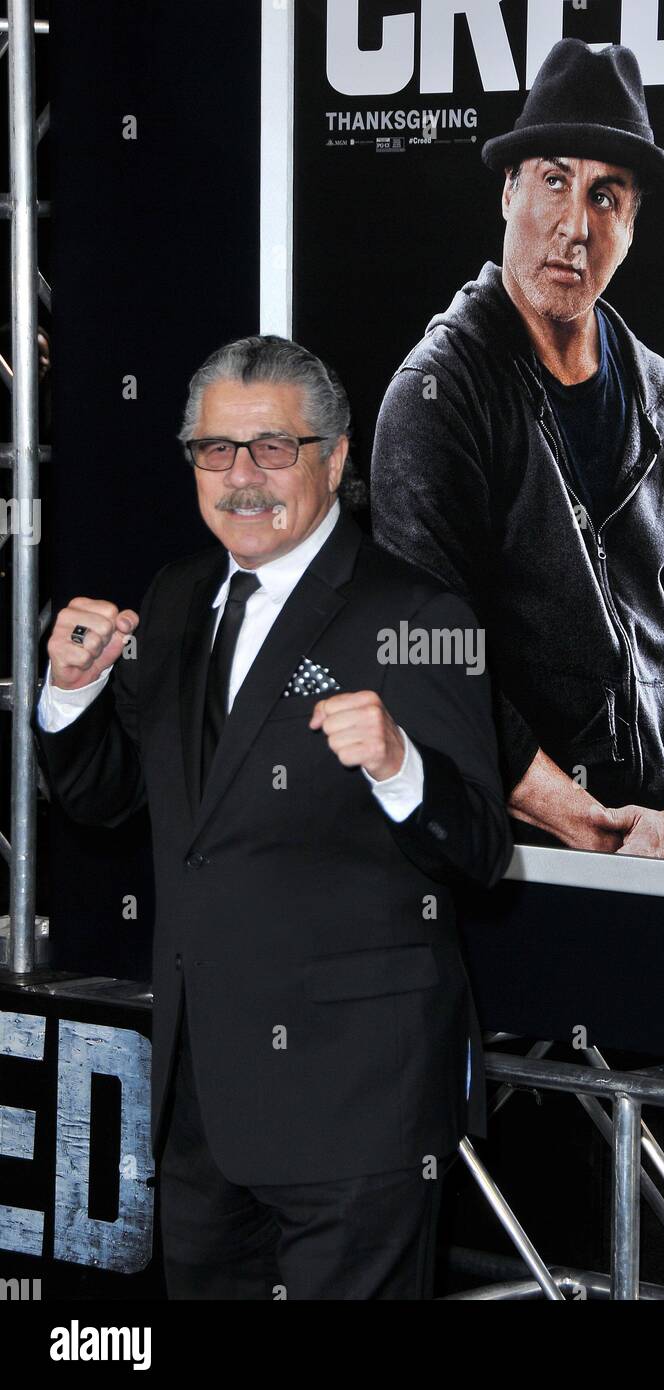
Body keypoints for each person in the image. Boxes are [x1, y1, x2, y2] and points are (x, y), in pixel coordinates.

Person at [34, 335, 512, 1299]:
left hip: (357, 1103)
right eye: (216, 450)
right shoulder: (174, 599)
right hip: (202, 1098)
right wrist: (67, 696)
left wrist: (399, 764)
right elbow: (107, 799)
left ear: (336, 460)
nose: (241, 477)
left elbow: (483, 853)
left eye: (273, 448)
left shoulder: (416, 611)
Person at [370, 38, 664, 866]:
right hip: (516, 855)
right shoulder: (438, 396)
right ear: (507, 192)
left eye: (606, 196)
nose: (574, 226)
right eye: (552, 179)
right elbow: (424, 662)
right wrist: (584, 825)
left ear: (631, 224)